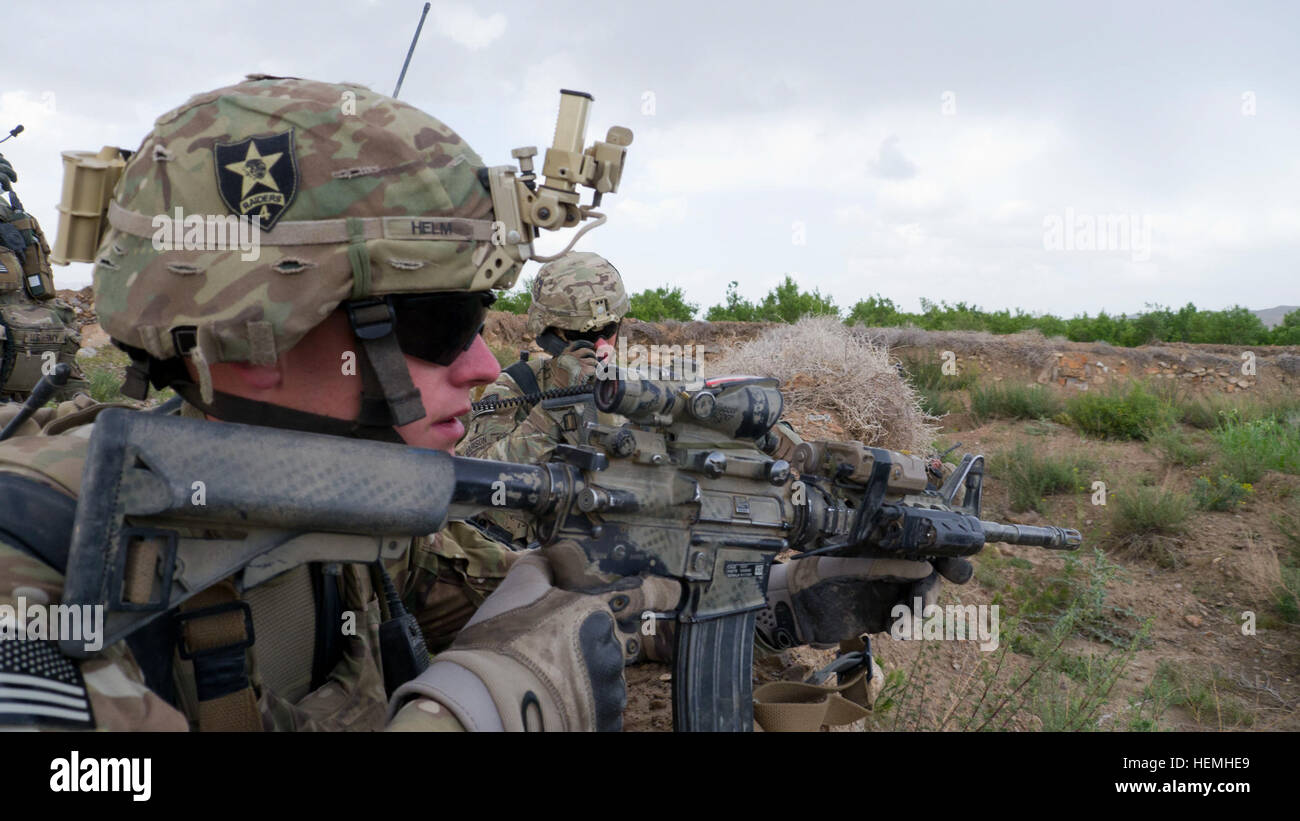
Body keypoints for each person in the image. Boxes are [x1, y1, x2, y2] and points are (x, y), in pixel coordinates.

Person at [0, 76, 675, 732]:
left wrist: (697, 587)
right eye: (441, 322)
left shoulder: (347, 505)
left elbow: (516, 585)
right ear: (252, 343)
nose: (483, 366)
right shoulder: (36, 560)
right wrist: (464, 712)